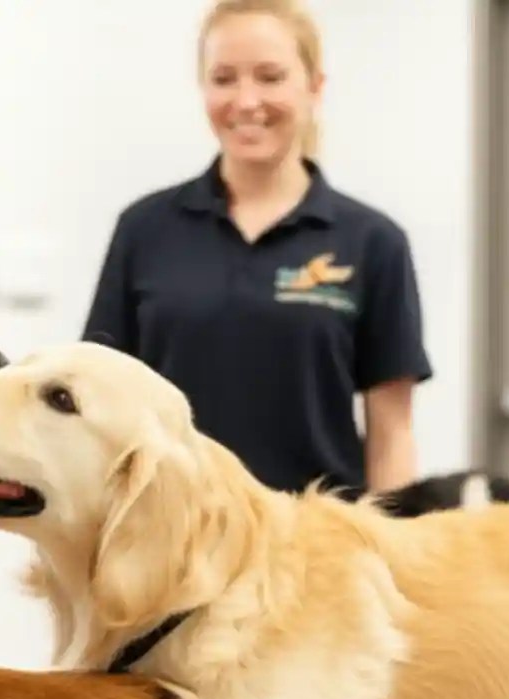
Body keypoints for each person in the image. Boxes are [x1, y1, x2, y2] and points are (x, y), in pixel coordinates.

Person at [81, 0, 432, 496]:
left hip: (317, 544)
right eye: (224, 78)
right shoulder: (144, 229)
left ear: (314, 87)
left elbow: (392, 435)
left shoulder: (373, 242)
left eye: (270, 77)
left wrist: (399, 557)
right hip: (172, 536)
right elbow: (99, 406)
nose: (247, 101)